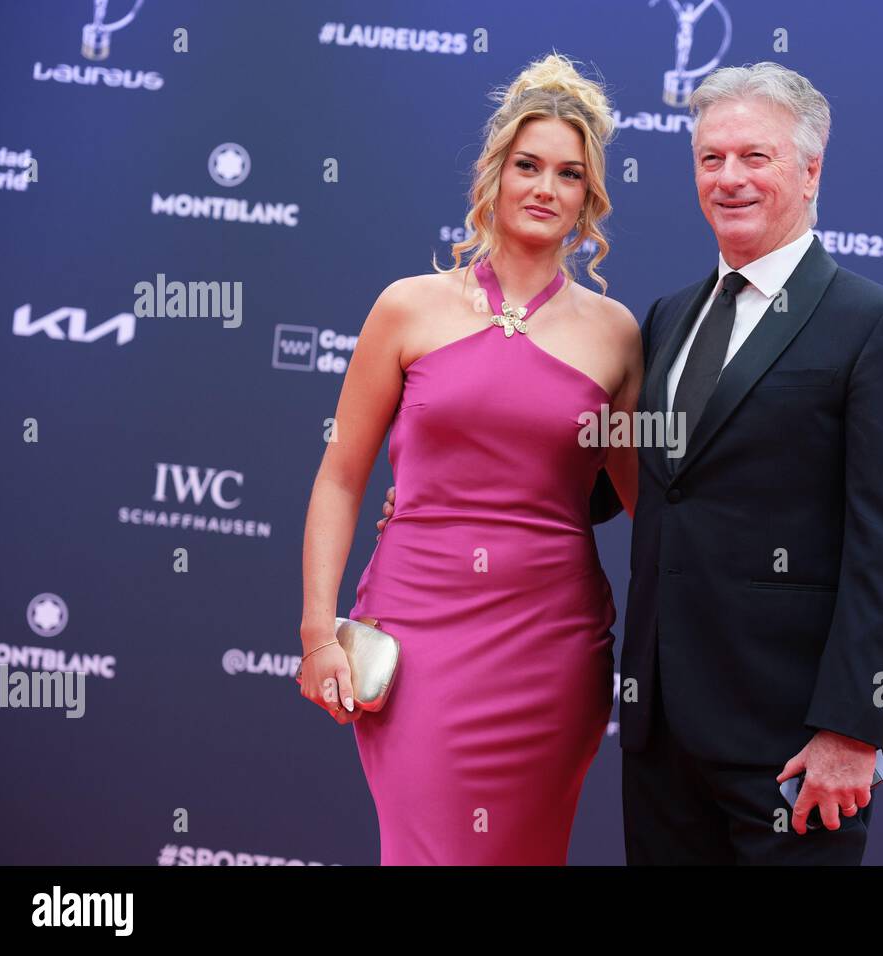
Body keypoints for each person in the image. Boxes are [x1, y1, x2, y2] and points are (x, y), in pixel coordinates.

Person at [299, 53, 643, 865]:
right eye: (527, 165)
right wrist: (319, 632)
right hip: (418, 636)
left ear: (587, 201)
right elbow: (342, 477)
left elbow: (646, 503)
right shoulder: (407, 307)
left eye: (568, 175)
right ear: (494, 174)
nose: (544, 188)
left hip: (552, 647)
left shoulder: (618, 335)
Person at [615, 61, 883, 864]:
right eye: (710, 158)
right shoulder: (667, 316)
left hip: (794, 747)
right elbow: (643, 486)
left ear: (810, 168)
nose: (729, 178)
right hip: (660, 737)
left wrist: (853, 731)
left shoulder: (882, 326)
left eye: (754, 157)